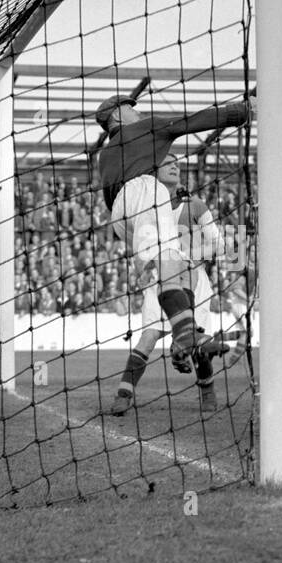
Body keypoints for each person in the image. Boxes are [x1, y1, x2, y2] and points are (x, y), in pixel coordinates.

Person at [94, 90, 251, 372]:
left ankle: (182, 338)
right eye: (130, 107)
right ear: (117, 114)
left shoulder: (104, 155)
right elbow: (192, 121)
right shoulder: (146, 129)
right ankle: (184, 336)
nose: (137, 110)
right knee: (171, 259)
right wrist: (241, 112)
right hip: (144, 196)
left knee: (165, 265)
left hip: (120, 216)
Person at [108, 153, 224, 416]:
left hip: (194, 279)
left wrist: (185, 255)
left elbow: (220, 245)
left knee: (197, 339)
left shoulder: (194, 205)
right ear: (152, 173)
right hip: (160, 278)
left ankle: (208, 392)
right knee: (148, 337)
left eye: (177, 164)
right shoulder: (144, 207)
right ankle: (123, 395)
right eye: (168, 163)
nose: (175, 166)